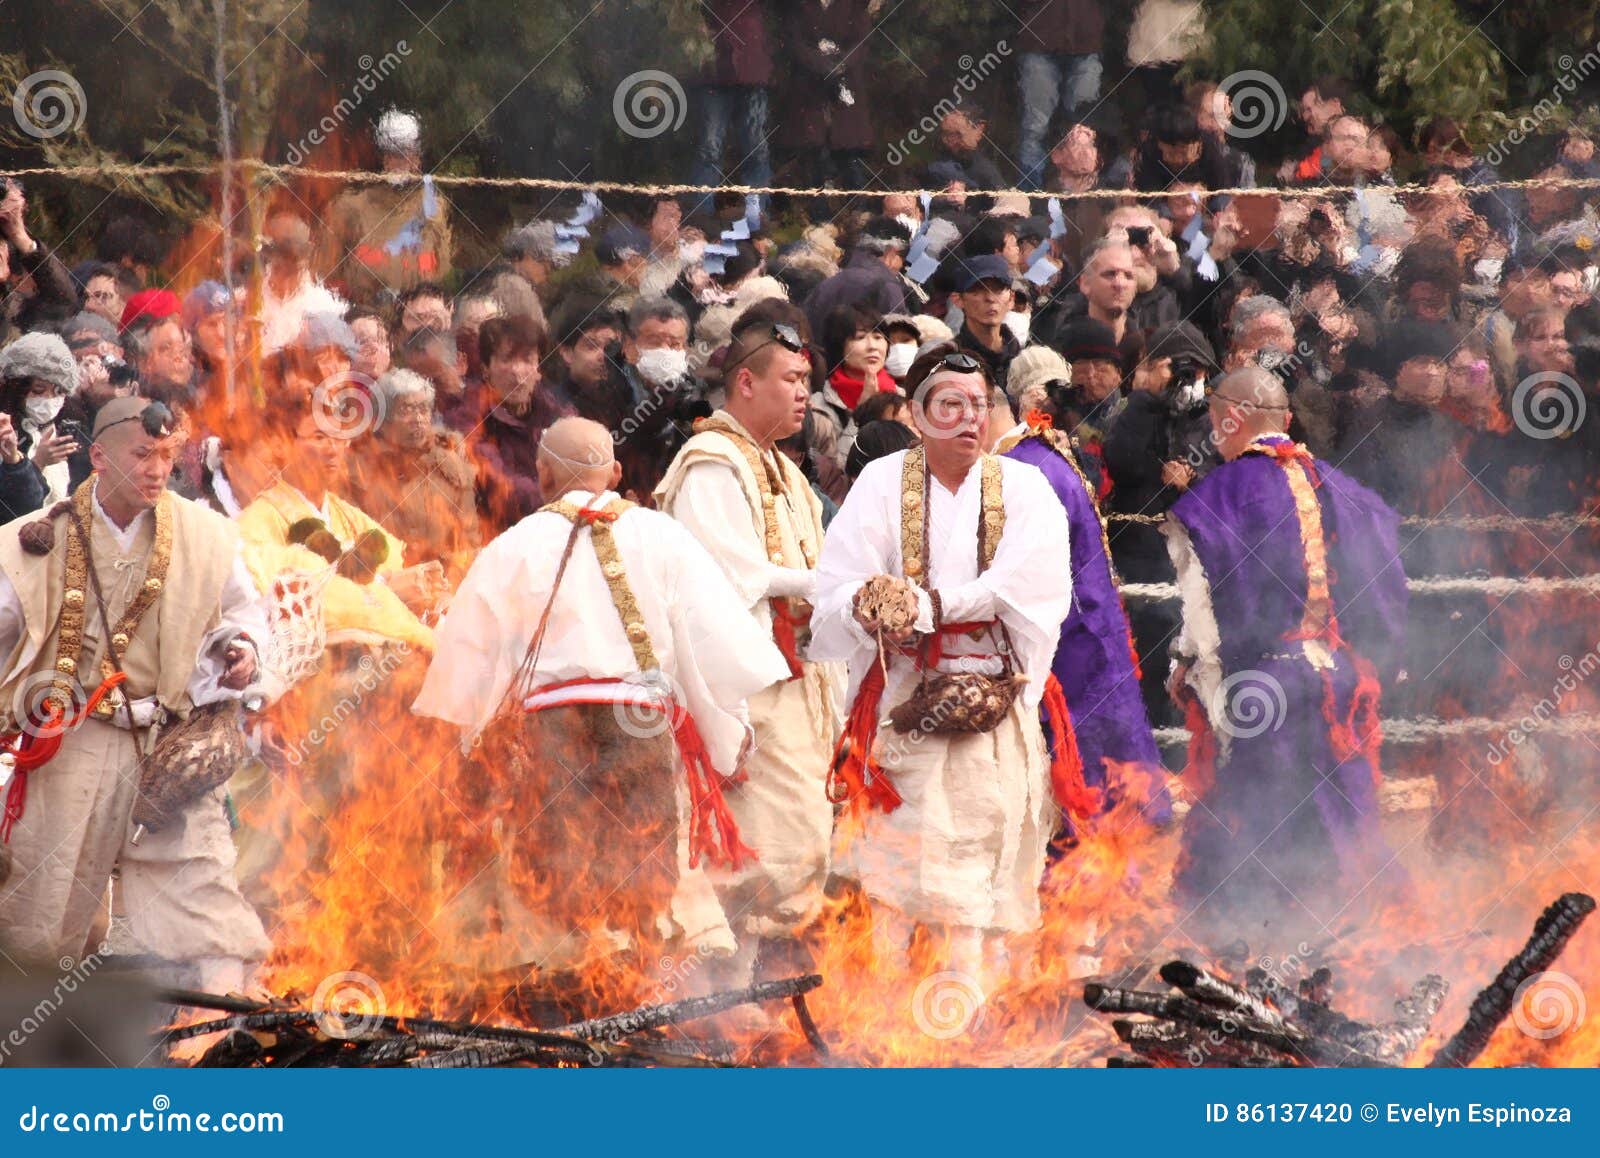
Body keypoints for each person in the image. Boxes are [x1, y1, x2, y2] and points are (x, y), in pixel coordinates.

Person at [413, 417, 789, 971]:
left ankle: (571, 983)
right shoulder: (662, 536)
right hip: (639, 719)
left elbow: (465, 670)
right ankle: (639, 978)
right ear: (613, 473)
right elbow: (715, 645)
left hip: (550, 727)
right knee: (640, 861)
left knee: (558, 861)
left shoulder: (510, 548)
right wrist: (730, 729)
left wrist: (472, 746)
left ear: (540, 475)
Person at [810, 345, 1075, 988]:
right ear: (917, 414)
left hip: (992, 691)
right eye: (949, 404)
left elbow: (1024, 586)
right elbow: (836, 583)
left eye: (978, 404)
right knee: (898, 854)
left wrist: (928, 603)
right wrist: (871, 604)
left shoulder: (1024, 485)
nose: (968, 419)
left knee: (984, 847)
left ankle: (972, 1000)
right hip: (905, 692)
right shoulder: (880, 482)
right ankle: (888, 998)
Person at [0, 397, 269, 991]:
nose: (156, 469)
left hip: (168, 744)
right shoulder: (32, 538)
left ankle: (229, 1031)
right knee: (43, 908)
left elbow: (241, 615)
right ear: (98, 456)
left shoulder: (206, 535)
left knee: (203, 884)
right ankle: (25, 1044)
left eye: (167, 456)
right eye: (142, 454)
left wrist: (241, 649)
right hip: (70, 744)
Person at [1163, 367, 1408, 945]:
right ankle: (1341, 935)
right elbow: (1388, 584)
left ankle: (1250, 936)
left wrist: (1187, 662)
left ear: (1233, 415)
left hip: (1259, 684)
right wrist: (1382, 652)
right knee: (1336, 801)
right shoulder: (1343, 488)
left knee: (1256, 803)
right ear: (1288, 421)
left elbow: (1202, 603)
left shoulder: (1216, 495)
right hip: (1335, 676)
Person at [654, 318, 841, 980]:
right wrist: (830, 585)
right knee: (750, 849)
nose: (803, 395)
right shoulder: (710, 464)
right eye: (791, 380)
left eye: (809, 383)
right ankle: (715, 1007)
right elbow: (728, 577)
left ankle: (741, 998)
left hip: (793, 681)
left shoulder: (782, 468)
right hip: (741, 690)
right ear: (745, 381)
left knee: (789, 842)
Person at [995, 376, 1168, 842]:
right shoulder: (1047, 456)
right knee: (1114, 809)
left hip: (1069, 654)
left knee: (1078, 800)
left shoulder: (1019, 468)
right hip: (1094, 642)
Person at [236, 394, 438, 653]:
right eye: (320, 438)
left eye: (340, 438)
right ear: (283, 444)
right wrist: (384, 586)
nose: (333, 450)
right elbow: (294, 598)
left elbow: (396, 561)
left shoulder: (345, 514)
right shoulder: (258, 519)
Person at [346, 368, 482, 581]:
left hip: (446, 585)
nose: (417, 419)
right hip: (387, 588)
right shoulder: (358, 469)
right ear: (384, 419)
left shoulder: (449, 465)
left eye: (423, 409)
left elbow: (468, 538)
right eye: (406, 410)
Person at [319, 109, 454, 304]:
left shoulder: (434, 209)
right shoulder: (350, 206)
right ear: (383, 158)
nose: (399, 162)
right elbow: (326, 271)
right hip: (361, 313)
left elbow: (441, 271)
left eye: (406, 153)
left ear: (417, 158)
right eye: (392, 154)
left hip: (417, 314)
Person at [1015, 0, 1106, 188]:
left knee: (1083, 130)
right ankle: (1030, 198)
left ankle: (1079, 197)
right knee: (1035, 127)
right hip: (1038, 39)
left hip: (1086, 40)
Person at [0, 332, 80, 508]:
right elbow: (14, 508)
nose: (49, 399)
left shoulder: (60, 429)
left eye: (58, 392)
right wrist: (37, 463)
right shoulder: (4, 429)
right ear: (17, 388)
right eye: (38, 390)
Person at [258, 212, 346, 355]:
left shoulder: (325, 307)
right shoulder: (248, 299)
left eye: (301, 251)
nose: (287, 262)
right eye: (282, 251)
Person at [951, 254, 1023, 388]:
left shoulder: (1027, 359)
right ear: (957, 299)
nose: (990, 298)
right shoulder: (950, 361)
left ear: (1011, 298)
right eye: (977, 290)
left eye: (998, 289)